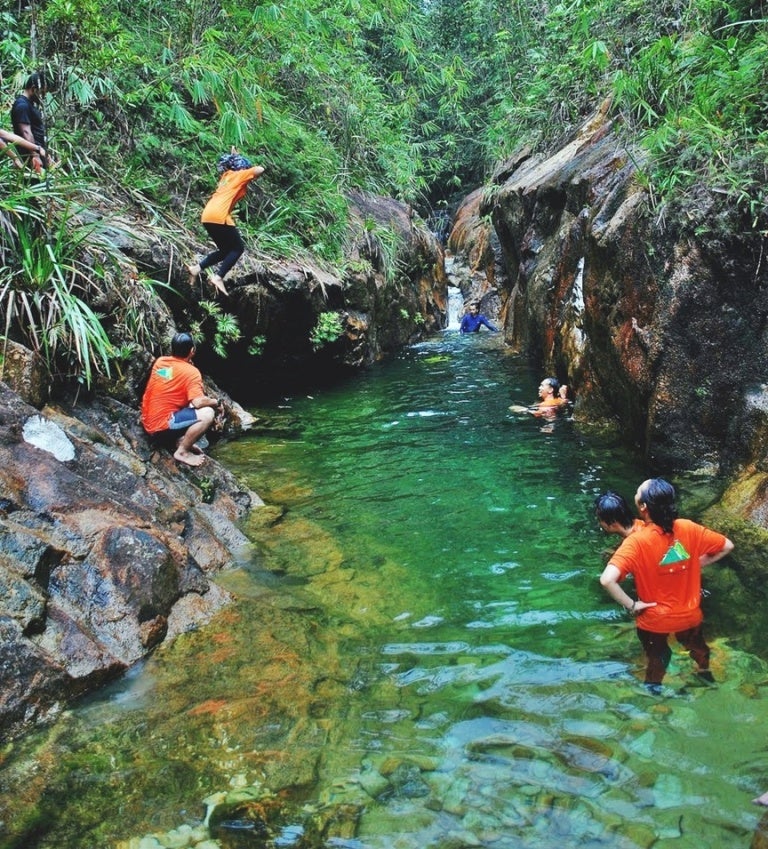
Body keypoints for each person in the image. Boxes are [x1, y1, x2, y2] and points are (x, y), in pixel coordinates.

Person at [599, 478, 734, 694]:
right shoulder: (688, 527)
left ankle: (654, 692)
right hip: (690, 614)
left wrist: (632, 605)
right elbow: (727, 546)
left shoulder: (636, 541)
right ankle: (704, 673)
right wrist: (695, 563)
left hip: (654, 620)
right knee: (697, 647)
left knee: (658, 657)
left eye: (637, 492)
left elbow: (607, 580)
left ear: (643, 507)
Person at [187, 147, 265, 296]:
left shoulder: (226, 176)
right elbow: (260, 170)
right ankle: (218, 277)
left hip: (207, 215)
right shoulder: (239, 175)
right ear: (241, 168)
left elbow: (234, 165)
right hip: (219, 215)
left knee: (225, 251)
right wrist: (245, 169)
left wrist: (235, 156)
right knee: (238, 248)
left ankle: (196, 269)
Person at [140, 332, 223, 467]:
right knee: (208, 413)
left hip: (147, 421)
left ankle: (179, 441)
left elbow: (171, 382)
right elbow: (198, 402)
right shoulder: (191, 372)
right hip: (160, 428)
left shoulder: (161, 362)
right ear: (192, 351)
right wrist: (216, 402)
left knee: (188, 406)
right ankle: (182, 451)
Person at [10, 72, 50, 174]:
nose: (43, 97)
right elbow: (26, 132)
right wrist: (35, 156)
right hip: (29, 158)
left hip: (37, 152)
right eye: (42, 93)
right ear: (33, 89)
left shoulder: (29, 104)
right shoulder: (22, 106)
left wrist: (45, 154)